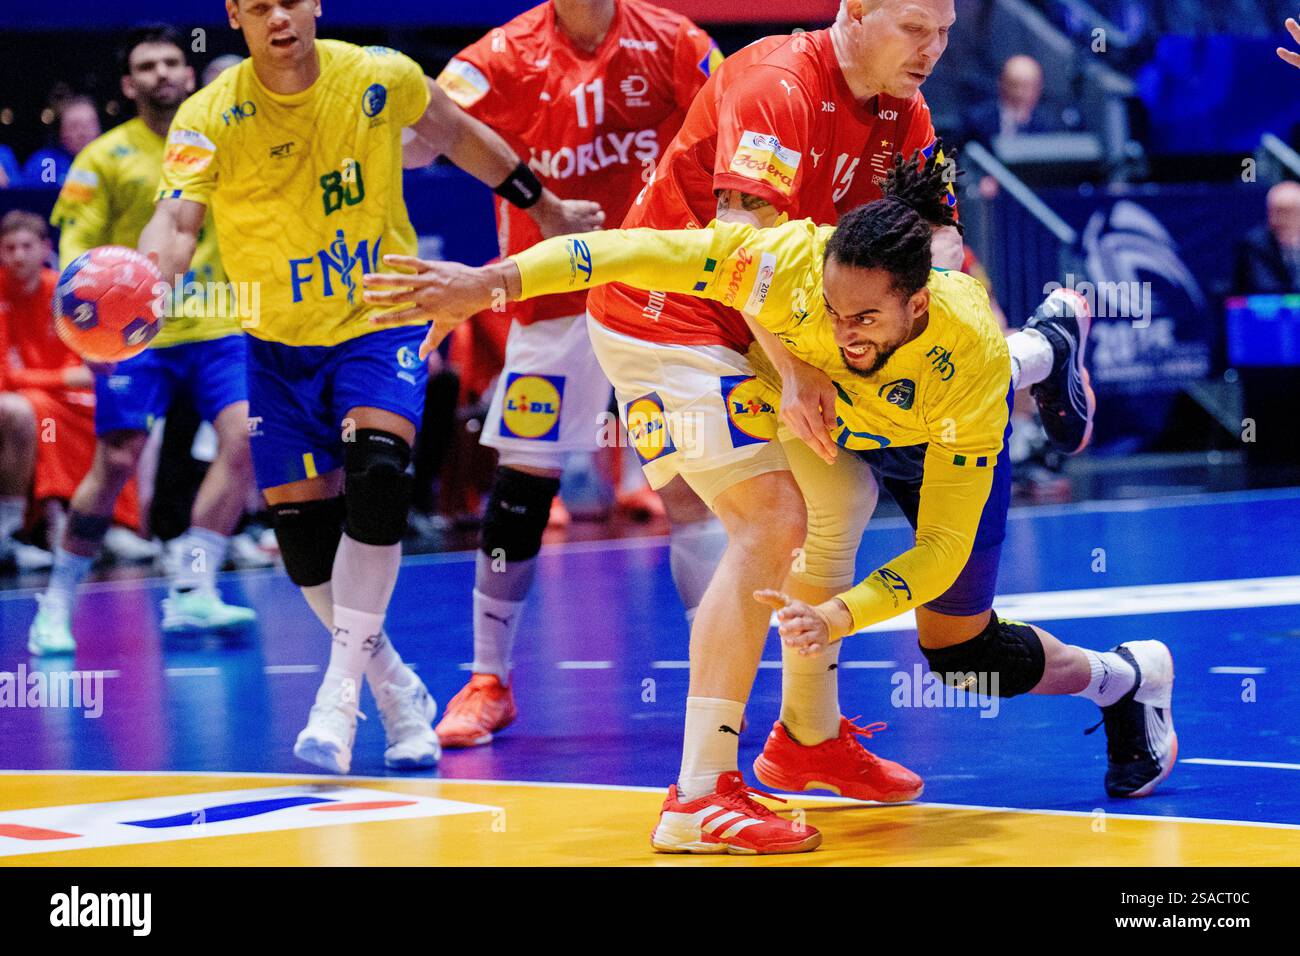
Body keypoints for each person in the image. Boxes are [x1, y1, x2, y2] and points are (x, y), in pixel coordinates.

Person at [364, 150, 1175, 855]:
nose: (842, 329)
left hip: (932, 431)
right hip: (824, 414)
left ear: (915, 306)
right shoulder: (784, 262)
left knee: (960, 654)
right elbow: (624, 250)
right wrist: (491, 283)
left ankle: (1124, 678)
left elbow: (939, 552)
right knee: (792, 517)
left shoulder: (964, 360)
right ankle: (794, 743)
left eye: (864, 318)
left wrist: (844, 616)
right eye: (832, 309)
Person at [146, 0, 602, 774]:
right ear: (236, 17)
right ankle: (394, 689)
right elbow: (179, 223)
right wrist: (148, 276)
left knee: (380, 479)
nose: (278, 19)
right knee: (304, 544)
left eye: (288, 2)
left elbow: (462, 135)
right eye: (258, 8)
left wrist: (546, 207)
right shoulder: (209, 114)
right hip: (279, 342)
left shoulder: (378, 76)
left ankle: (338, 695)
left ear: (312, 4)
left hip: (380, 314)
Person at [430, 0, 725, 748]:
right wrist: (390, 113)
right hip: (549, 302)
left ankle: (719, 676)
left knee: (690, 487)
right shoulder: (504, 51)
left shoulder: (674, 40)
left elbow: (732, 123)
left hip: (656, 298)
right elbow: (423, 131)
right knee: (522, 487)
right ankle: (488, 680)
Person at [28, 24, 257, 657]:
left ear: (189, 76)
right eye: (147, 66)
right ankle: (57, 602)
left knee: (244, 438)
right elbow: (72, 247)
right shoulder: (102, 158)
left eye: (172, 63)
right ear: (130, 85)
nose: (162, 73)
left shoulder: (224, 147)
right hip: (134, 336)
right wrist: (94, 309)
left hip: (217, 322)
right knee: (119, 461)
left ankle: (191, 587)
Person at [0, 212, 141, 572]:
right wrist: (63, 380)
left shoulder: (64, 293)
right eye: (9, 248)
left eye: (26, 246)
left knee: (114, 409)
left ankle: (111, 522)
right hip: (27, 394)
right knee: (33, 407)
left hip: (55, 393)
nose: (18, 255)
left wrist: (66, 380)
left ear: (46, 249)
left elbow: (84, 364)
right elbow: (6, 376)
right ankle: (41, 520)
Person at [954, 54, 1075, 151]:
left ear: (1039, 89)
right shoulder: (976, 121)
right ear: (1001, 84)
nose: (1021, 93)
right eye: (1015, 85)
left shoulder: (1050, 127)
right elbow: (954, 160)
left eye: (1029, 86)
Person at [1232, 180, 1300, 295]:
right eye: (1277, 211)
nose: (1282, 219)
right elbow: (1265, 287)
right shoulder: (1254, 244)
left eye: (1289, 212)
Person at [21, 96, 102, 187]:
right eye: (74, 126)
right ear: (61, 131)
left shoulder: (111, 160)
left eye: (88, 125)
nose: (82, 134)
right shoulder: (46, 163)